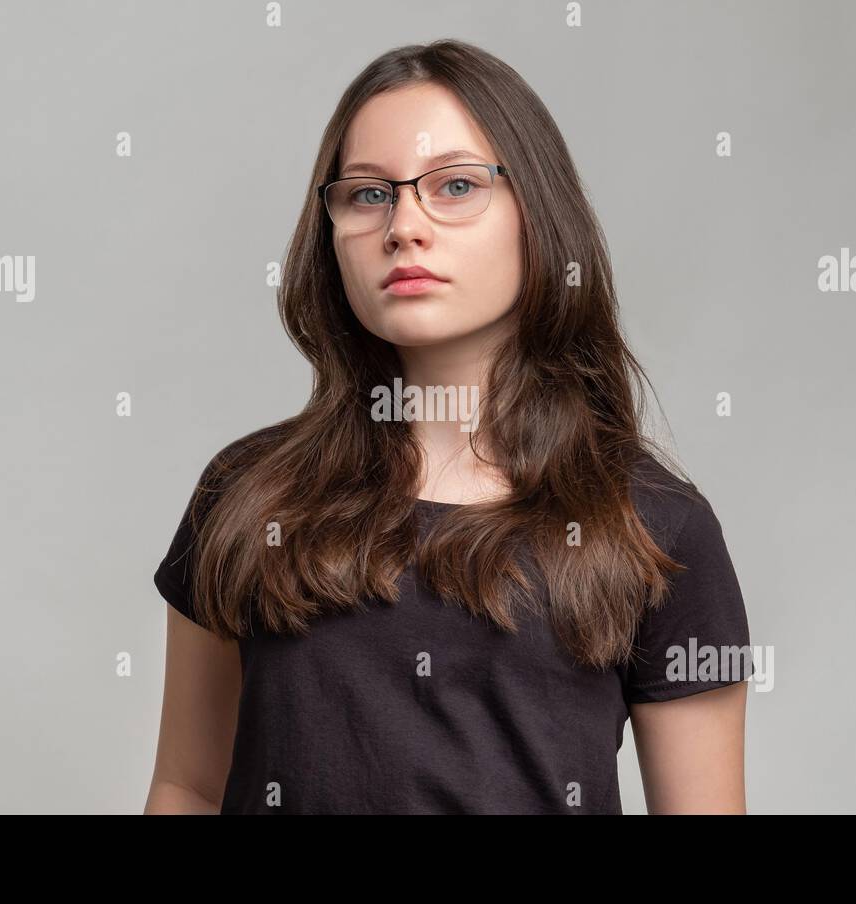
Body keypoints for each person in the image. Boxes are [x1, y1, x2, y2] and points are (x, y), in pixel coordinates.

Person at [144, 39, 753, 815]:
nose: (404, 226)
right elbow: (187, 785)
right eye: (368, 195)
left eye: (455, 185)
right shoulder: (246, 494)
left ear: (536, 214)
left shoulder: (656, 525)